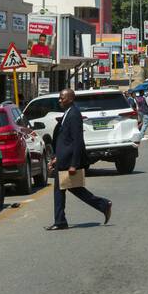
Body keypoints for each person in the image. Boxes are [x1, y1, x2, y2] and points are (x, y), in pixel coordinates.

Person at [45, 89, 112, 231]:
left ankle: (60, 221)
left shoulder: (74, 114)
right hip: (63, 159)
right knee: (71, 189)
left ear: (70, 99)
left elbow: (77, 141)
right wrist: (56, 157)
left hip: (68, 161)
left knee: (63, 189)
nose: (59, 100)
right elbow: (65, 140)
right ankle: (102, 205)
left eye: (62, 98)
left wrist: (74, 164)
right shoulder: (68, 113)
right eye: (59, 98)